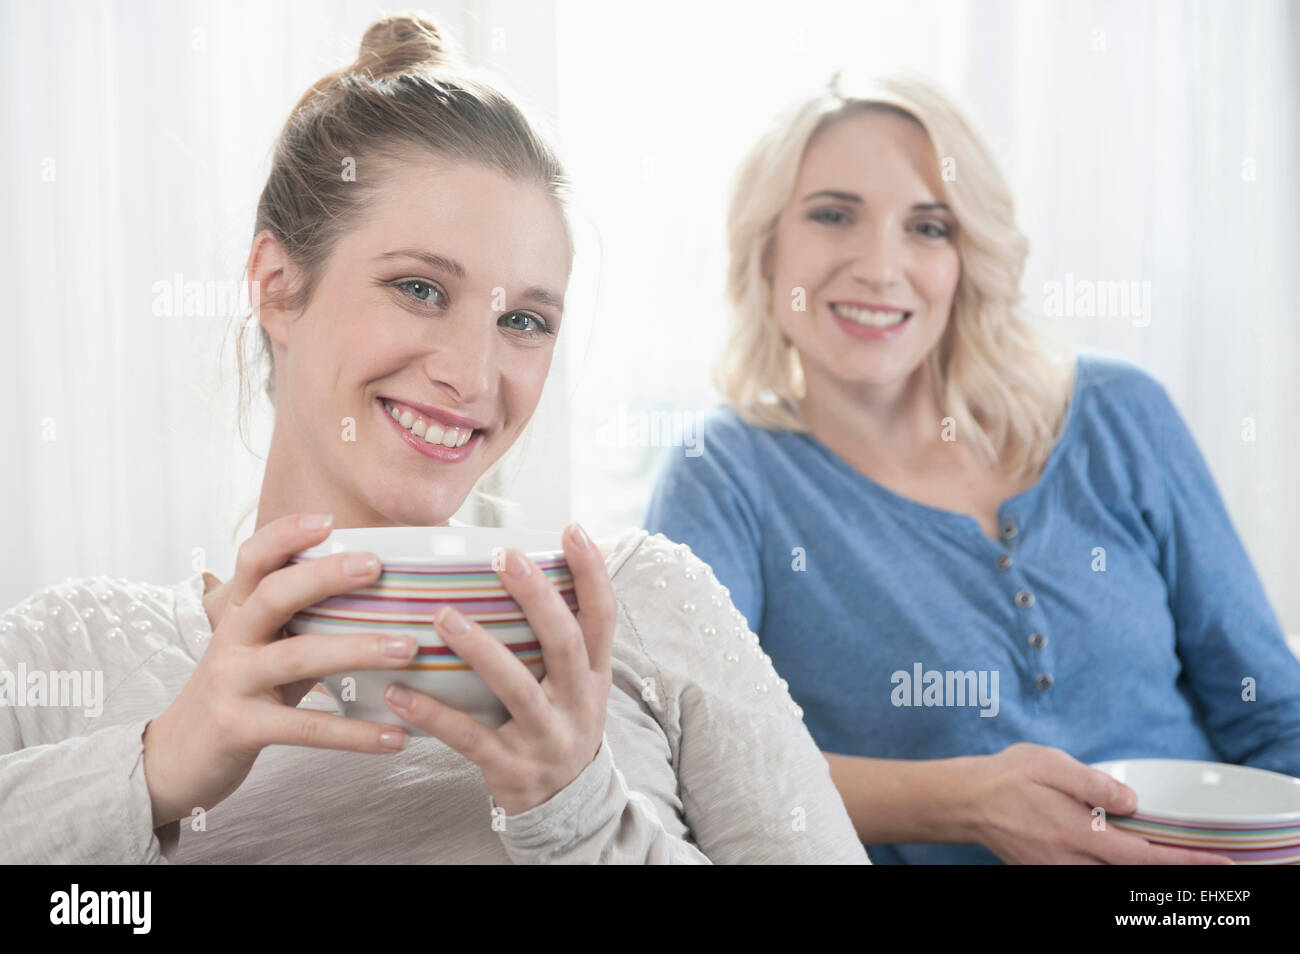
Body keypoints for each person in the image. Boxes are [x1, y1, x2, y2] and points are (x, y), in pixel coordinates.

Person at [0, 14, 866, 865]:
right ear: (275, 285)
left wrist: (577, 815)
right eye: (419, 289)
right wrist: (152, 768)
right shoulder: (67, 653)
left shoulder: (634, 605)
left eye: (523, 320)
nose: (473, 375)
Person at [644, 70, 1300, 864]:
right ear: (766, 249)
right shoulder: (724, 474)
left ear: (968, 257)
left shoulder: (1121, 414)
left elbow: (1271, 718)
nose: (880, 268)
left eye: (928, 227)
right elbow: (694, 761)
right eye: (832, 215)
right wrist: (968, 805)